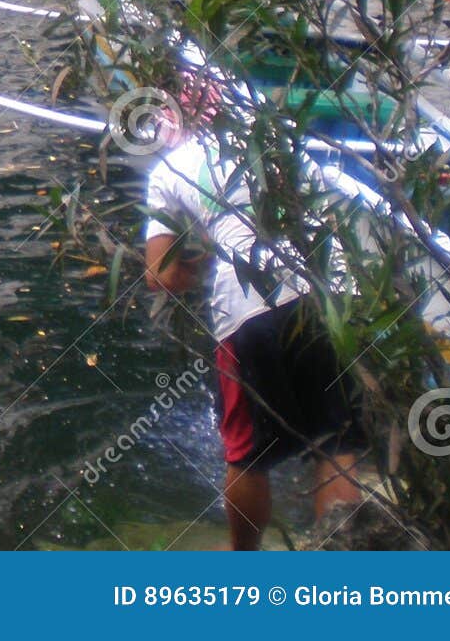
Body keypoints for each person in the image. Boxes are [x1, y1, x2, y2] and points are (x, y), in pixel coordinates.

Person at [143, 133, 364, 549]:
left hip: (248, 304)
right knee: (334, 444)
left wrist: (204, 258)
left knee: (246, 456)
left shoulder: (167, 169)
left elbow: (160, 276)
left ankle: (244, 567)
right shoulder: (275, 129)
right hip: (324, 286)